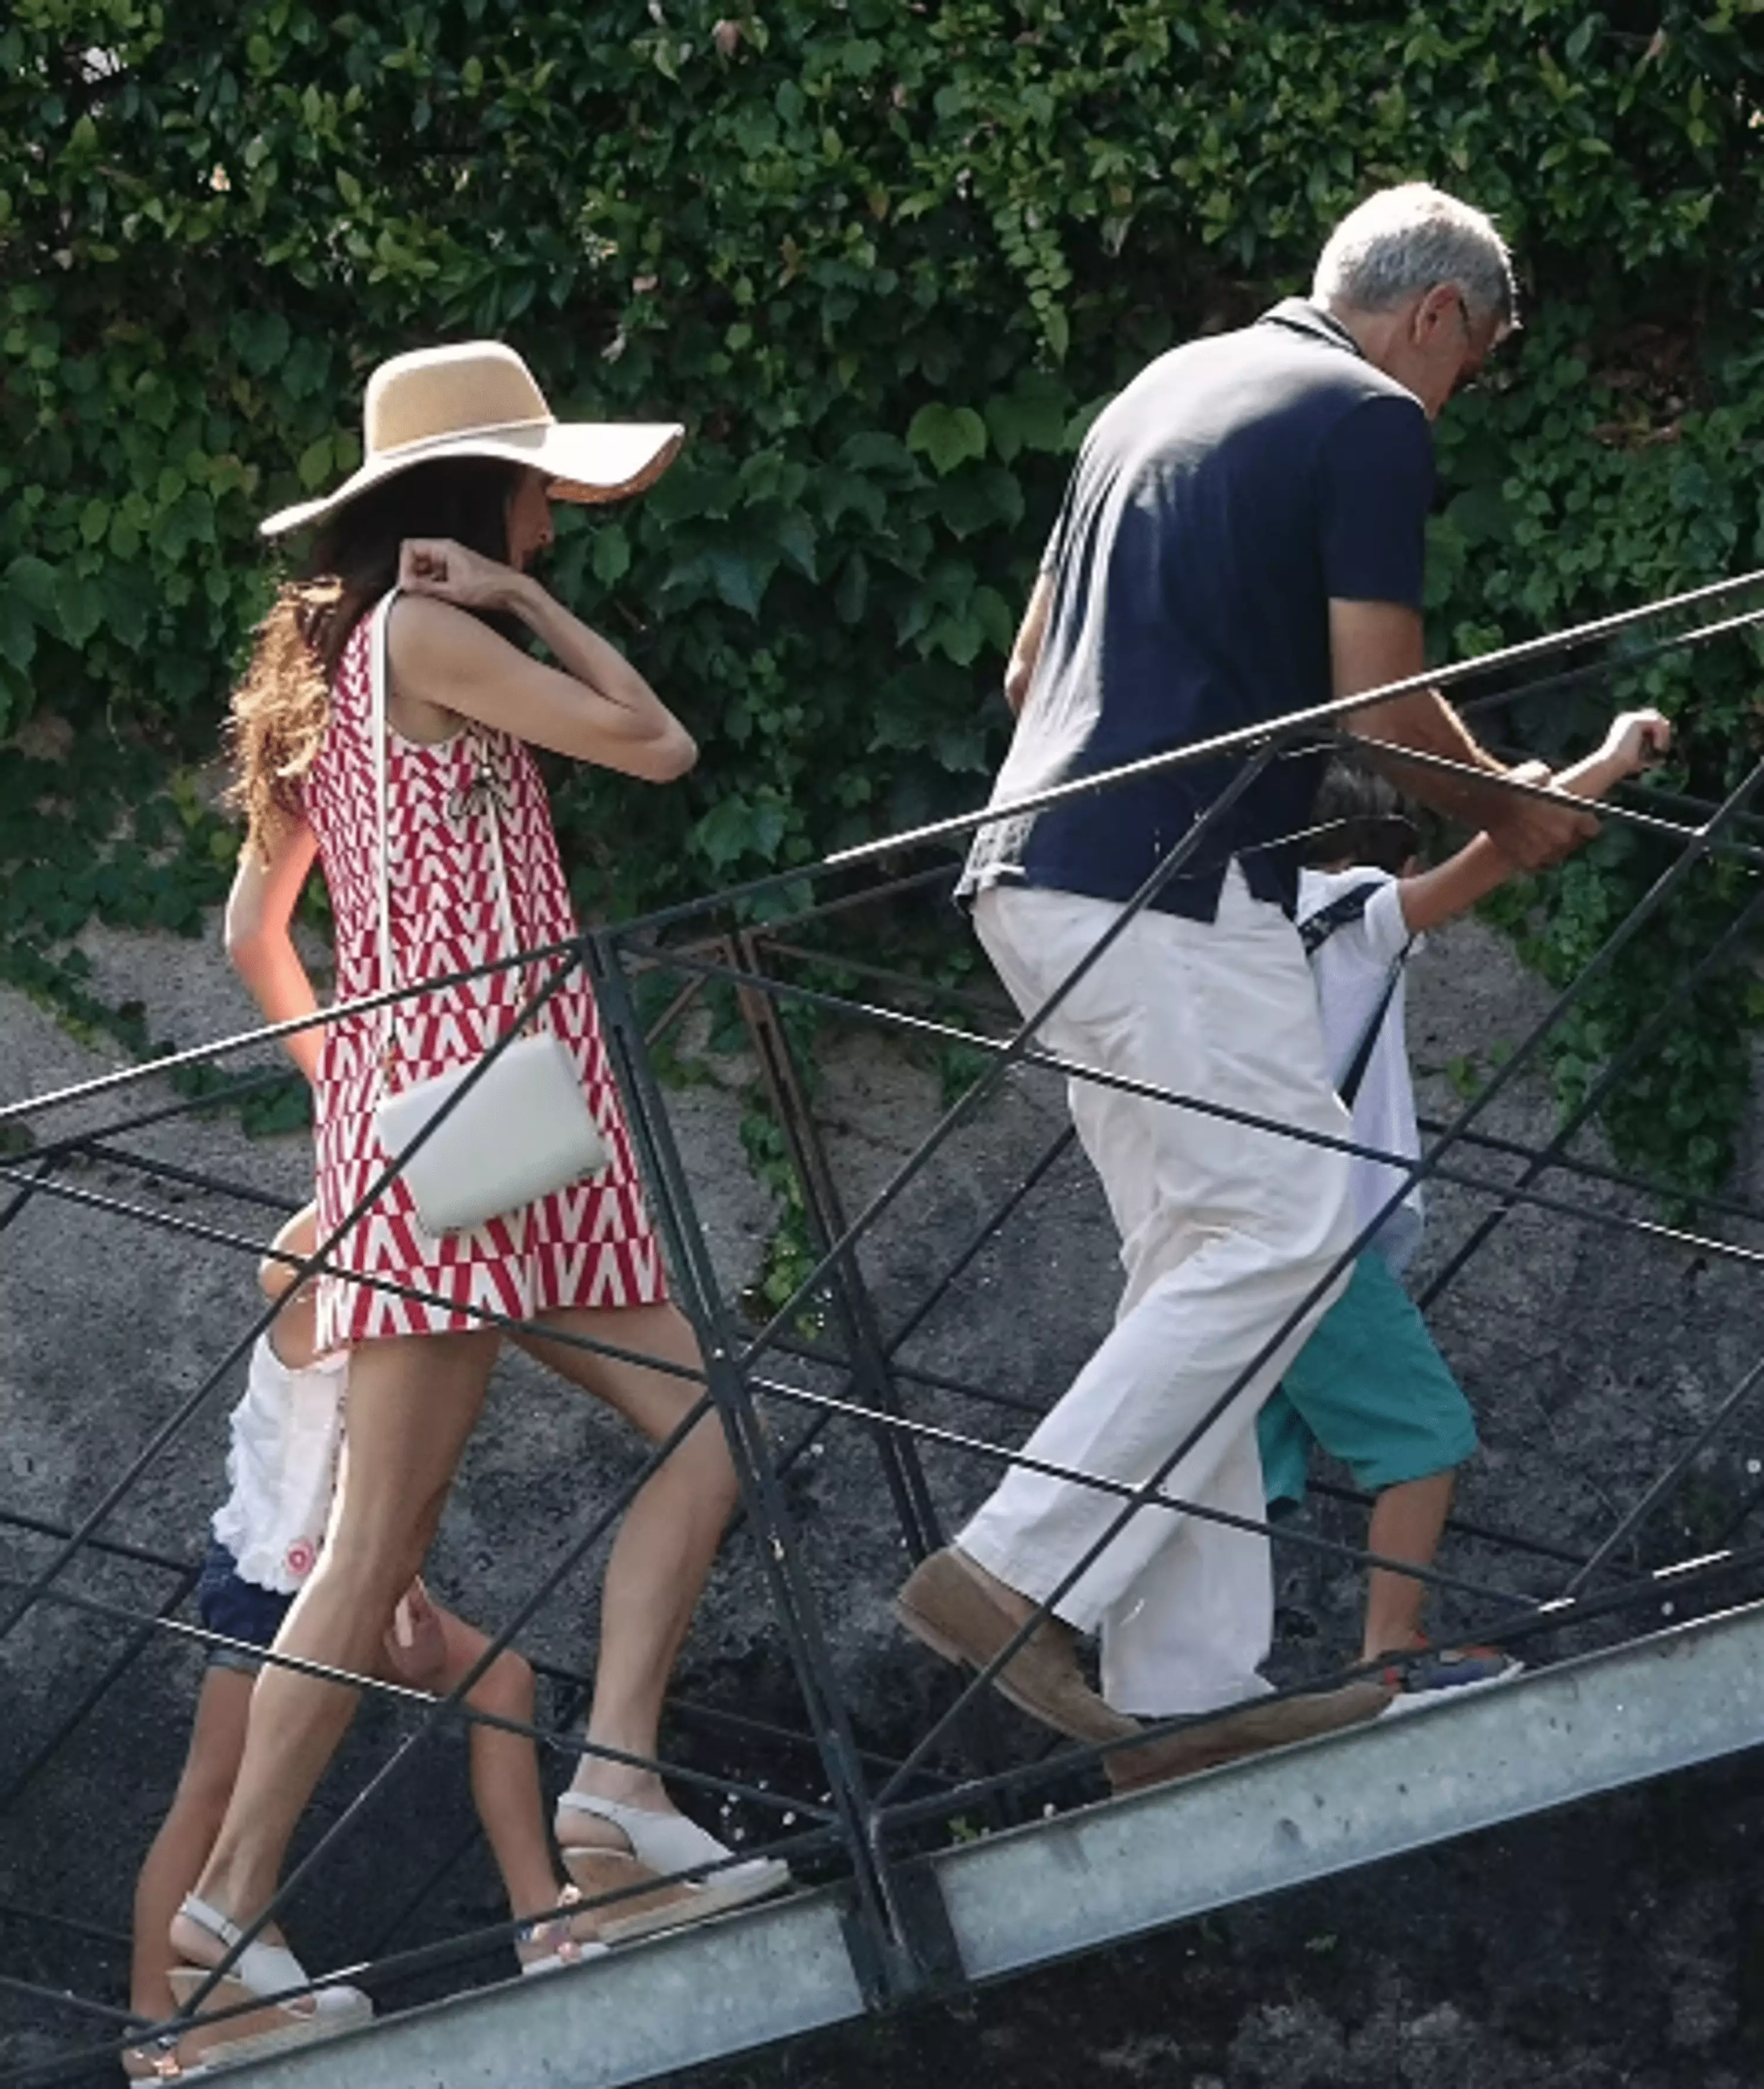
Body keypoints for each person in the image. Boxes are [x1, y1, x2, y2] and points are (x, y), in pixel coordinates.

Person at [896, 184, 1602, 1793]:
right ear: (1441, 317)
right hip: (1175, 887)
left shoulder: (1161, 390)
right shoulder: (1366, 420)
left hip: (1040, 874)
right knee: (1289, 1232)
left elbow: (1025, 675)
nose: (1461, 391)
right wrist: (1514, 808)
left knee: (1203, 1267)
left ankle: (1180, 1690)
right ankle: (1015, 1570)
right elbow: (1387, 708)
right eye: (1476, 359)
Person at [169, 342, 783, 2031]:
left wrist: (359, 1093)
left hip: (467, 1134)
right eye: (534, 490)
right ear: (476, 500)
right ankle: (230, 1918)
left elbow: (249, 934)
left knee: (704, 1424)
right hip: (490, 1135)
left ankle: (619, 1793)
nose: (551, 514)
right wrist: (522, 604)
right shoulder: (435, 633)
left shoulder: (332, 669)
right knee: (374, 1558)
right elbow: (658, 746)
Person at [128, 1207, 718, 2079]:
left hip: (342, 1576)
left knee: (499, 1682)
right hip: (270, 1579)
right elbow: (280, 1280)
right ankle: (156, 2024)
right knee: (214, 1788)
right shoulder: (311, 1323)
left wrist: (402, 1584)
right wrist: (384, 1192)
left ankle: (538, 1918)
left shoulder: (391, 1336)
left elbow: (374, 1491)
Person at [1257, 709, 1670, 1698]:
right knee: (1422, 1435)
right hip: (1317, 1240)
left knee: (1249, 1472)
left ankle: (1196, 1689)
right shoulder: (1351, 912)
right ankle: (1390, 1650)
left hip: (1229, 1231)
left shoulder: (1238, 927)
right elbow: (1501, 854)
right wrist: (1609, 758)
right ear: (1371, 844)